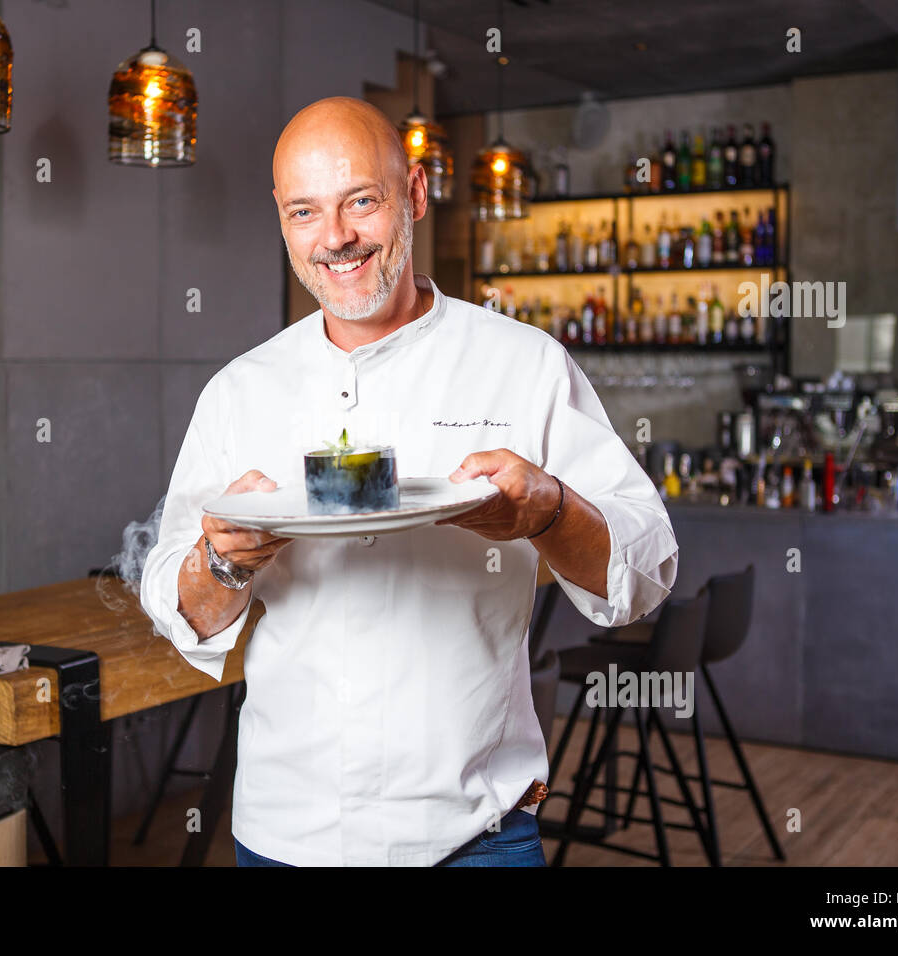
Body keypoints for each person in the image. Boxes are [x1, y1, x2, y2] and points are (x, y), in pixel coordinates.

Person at [139, 96, 678, 867]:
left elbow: (647, 571)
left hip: (475, 833)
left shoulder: (522, 364)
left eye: (362, 200)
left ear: (416, 195)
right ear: (282, 219)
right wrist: (224, 558)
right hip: (289, 835)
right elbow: (181, 606)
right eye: (304, 212)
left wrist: (551, 511)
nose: (336, 239)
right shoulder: (240, 391)